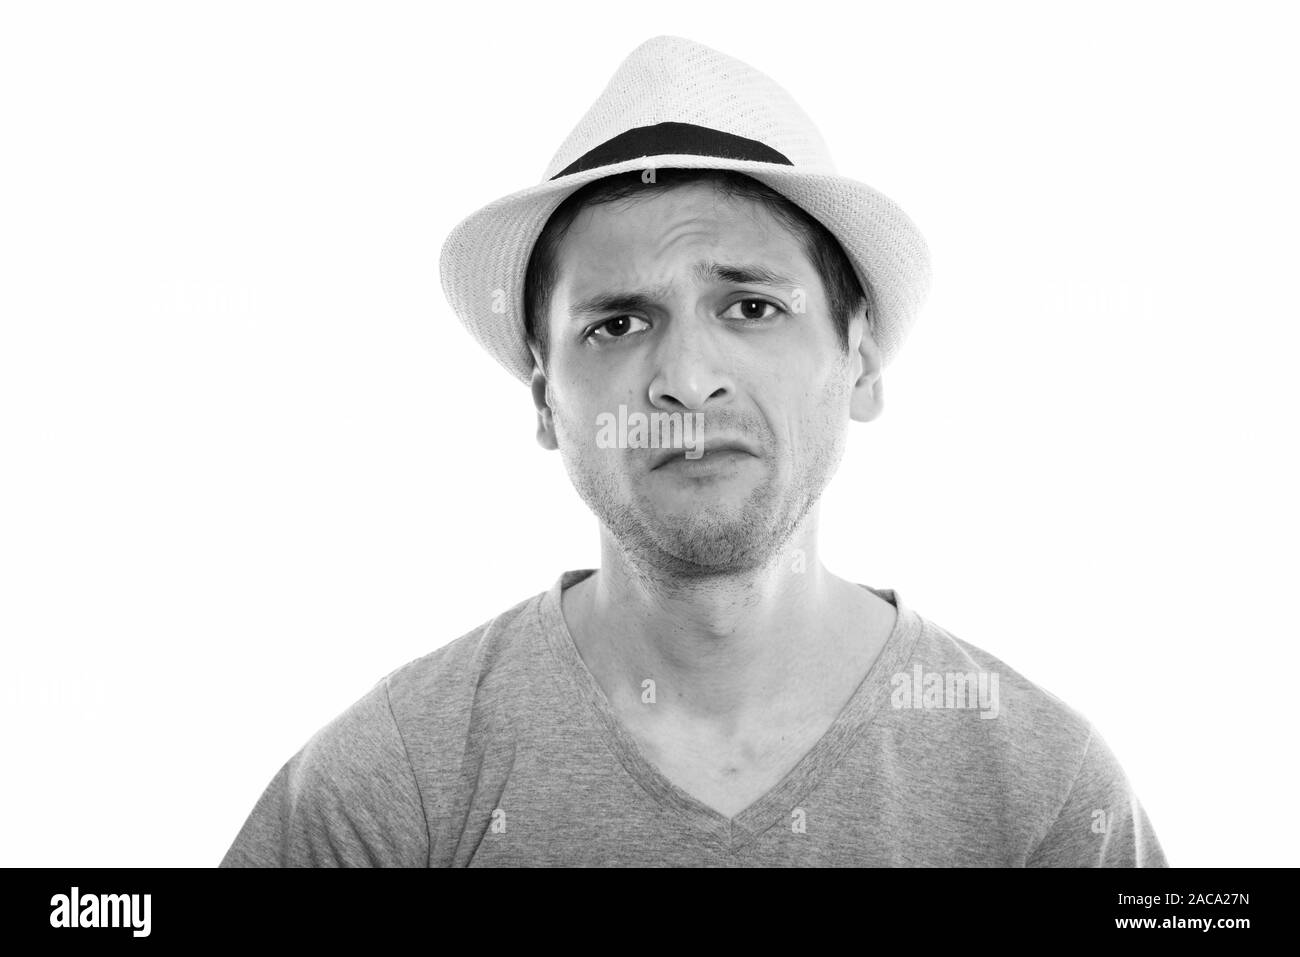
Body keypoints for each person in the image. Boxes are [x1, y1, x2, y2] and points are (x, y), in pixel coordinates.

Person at [219, 34, 1167, 867]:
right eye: (619, 322)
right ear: (546, 398)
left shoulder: (1044, 795)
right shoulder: (392, 785)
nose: (686, 378)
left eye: (751, 306)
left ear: (861, 362)